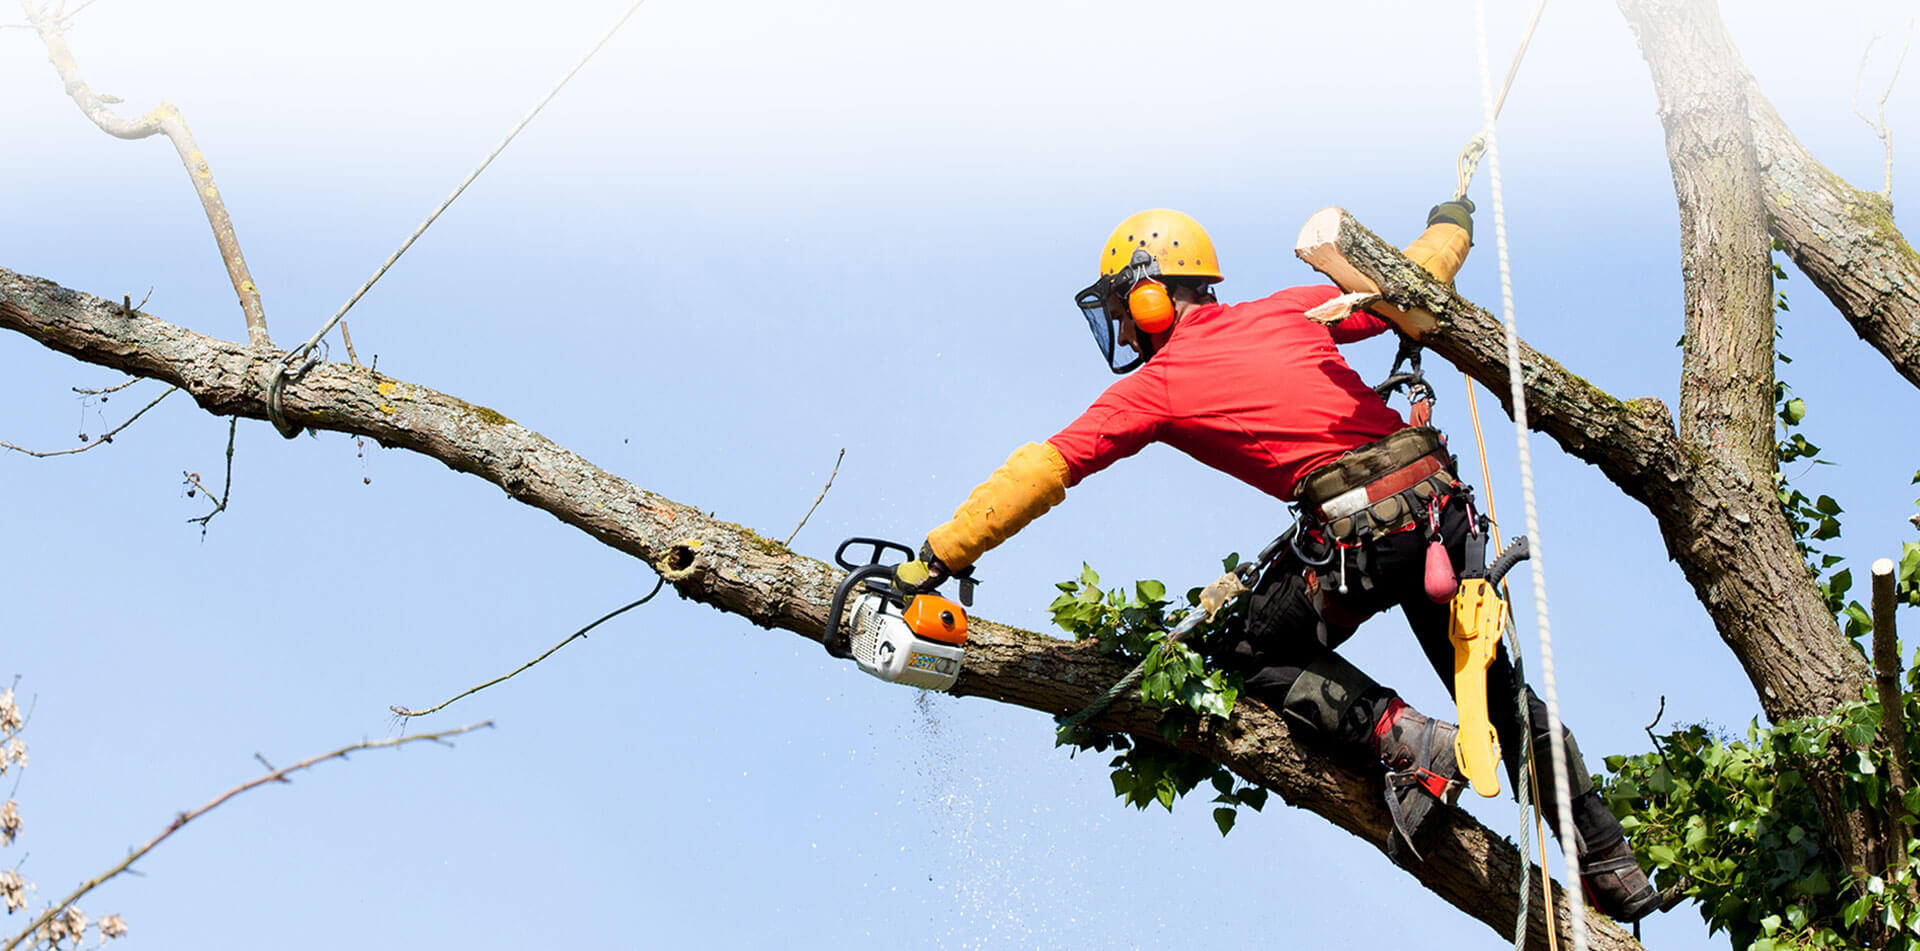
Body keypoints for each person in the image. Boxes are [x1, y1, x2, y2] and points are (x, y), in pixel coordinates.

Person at [890, 205, 1660, 922]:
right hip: (1439, 515)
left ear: (1151, 295)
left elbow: (1045, 468)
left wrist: (940, 553)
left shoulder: (1158, 386)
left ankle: (1408, 739)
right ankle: (1610, 858)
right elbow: (1409, 275)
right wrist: (1450, 224)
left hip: (1364, 538)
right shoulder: (1291, 309)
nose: (1126, 332)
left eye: (1126, 311)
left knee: (1246, 653)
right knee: (1496, 693)